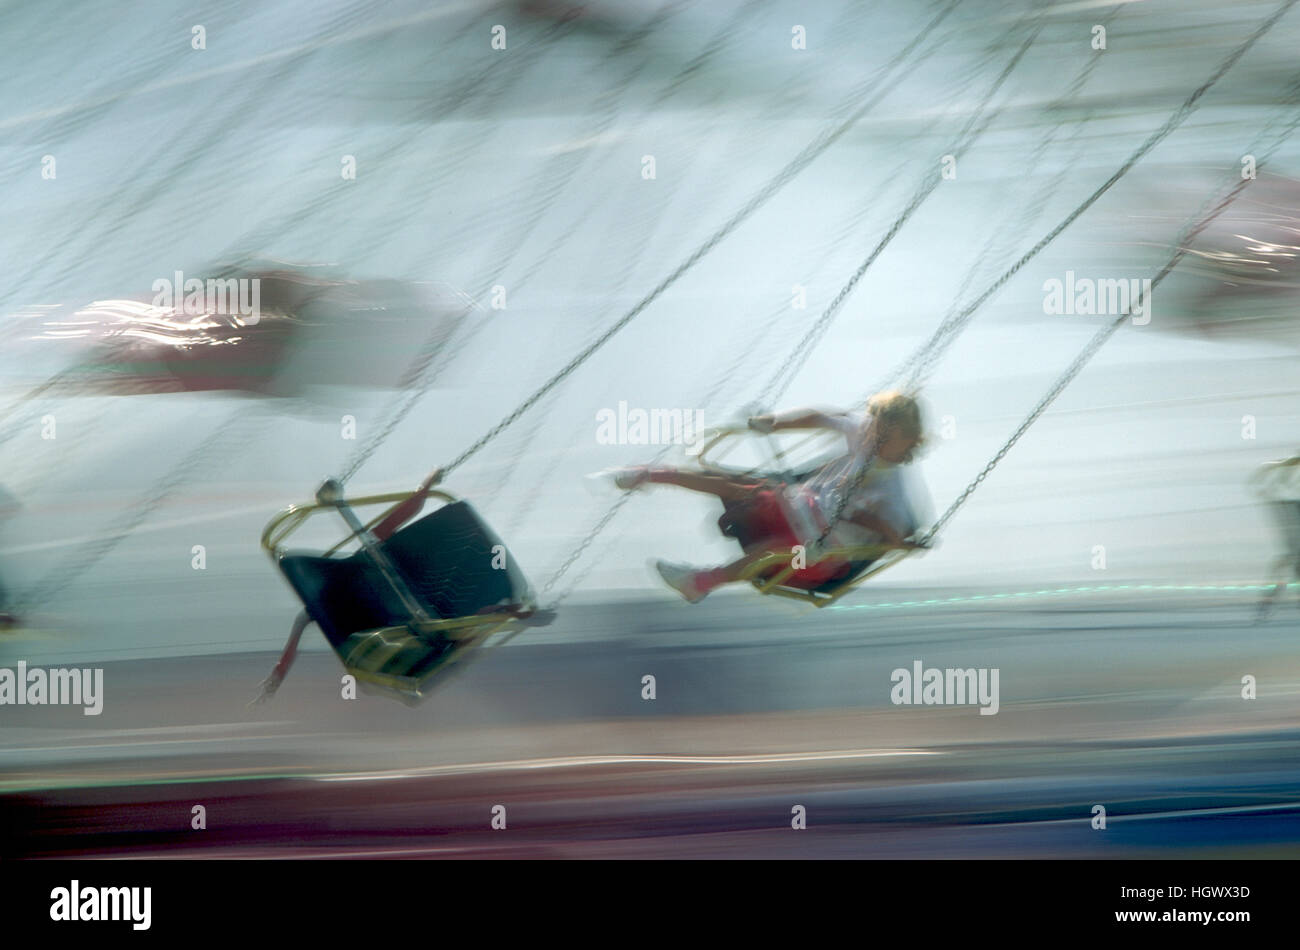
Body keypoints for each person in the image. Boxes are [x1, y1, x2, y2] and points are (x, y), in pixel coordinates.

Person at [610, 390, 928, 603]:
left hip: (820, 554)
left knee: (776, 551)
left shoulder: (893, 490)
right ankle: (650, 474)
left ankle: (699, 583)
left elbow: (893, 534)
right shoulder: (864, 430)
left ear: (909, 441)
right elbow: (819, 416)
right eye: (874, 428)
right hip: (794, 508)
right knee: (739, 487)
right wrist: (774, 423)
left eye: (886, 436)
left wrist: (880, 527)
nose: (874, 437)